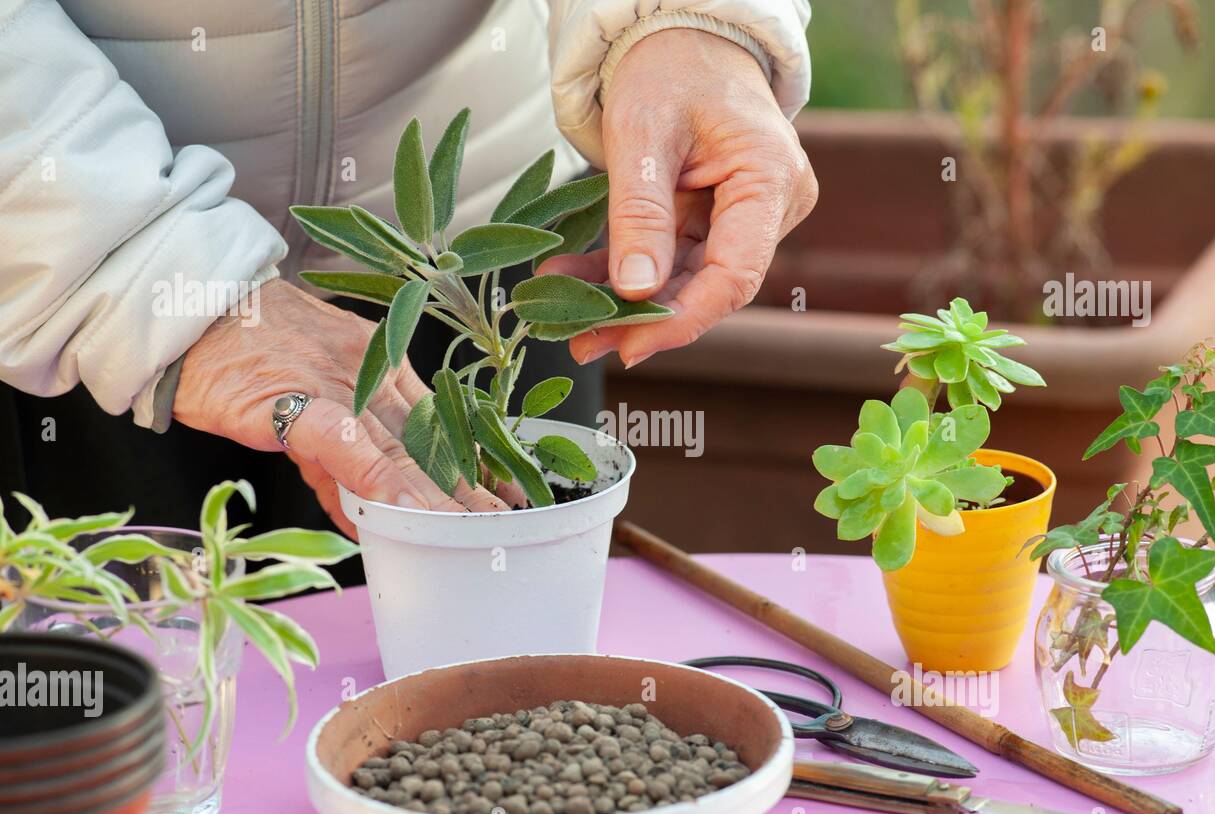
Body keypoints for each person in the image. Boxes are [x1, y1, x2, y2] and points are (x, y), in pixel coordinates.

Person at [0, 0, 818, 537]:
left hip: (484, 267)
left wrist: (686, 23)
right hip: (54, 300)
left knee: (494, 708)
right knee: (112, 763)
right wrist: (132, 263)